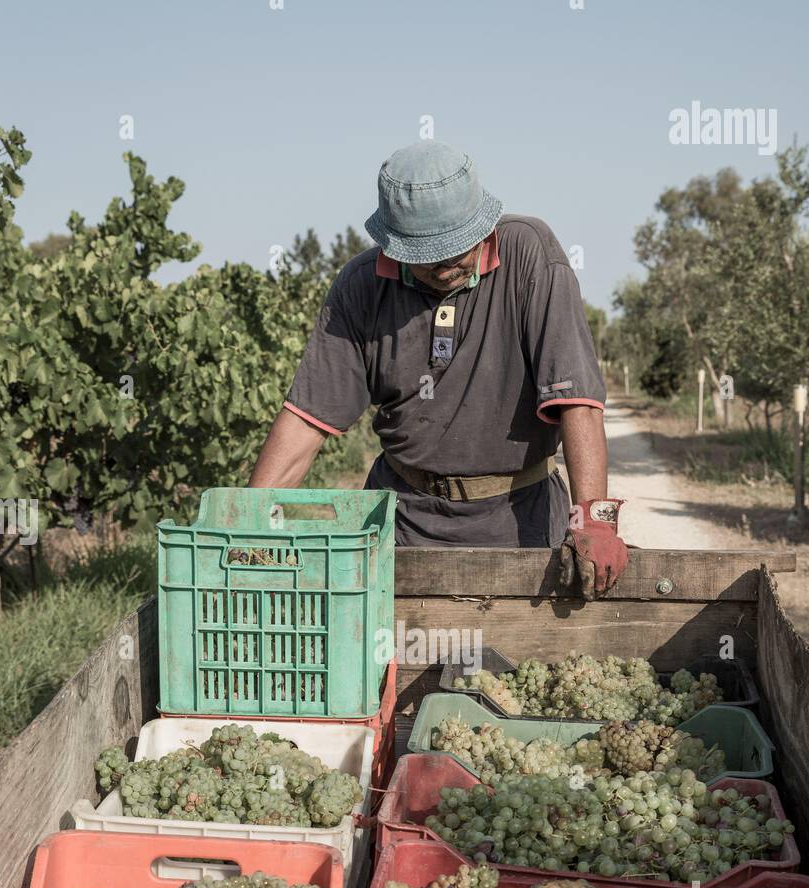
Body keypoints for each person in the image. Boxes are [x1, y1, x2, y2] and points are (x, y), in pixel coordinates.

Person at [251, 139, 629, 597]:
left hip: (518, 519)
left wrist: (595, 521)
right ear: (394, 245)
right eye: (427, 253)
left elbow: (579, 403)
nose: (446, 263)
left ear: (483, 222)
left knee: (519, 662)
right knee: (395, 662)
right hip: (401, 521)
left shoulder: (531, 255)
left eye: (457, 246)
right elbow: (308, 419)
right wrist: (252, 522)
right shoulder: (361, 285)